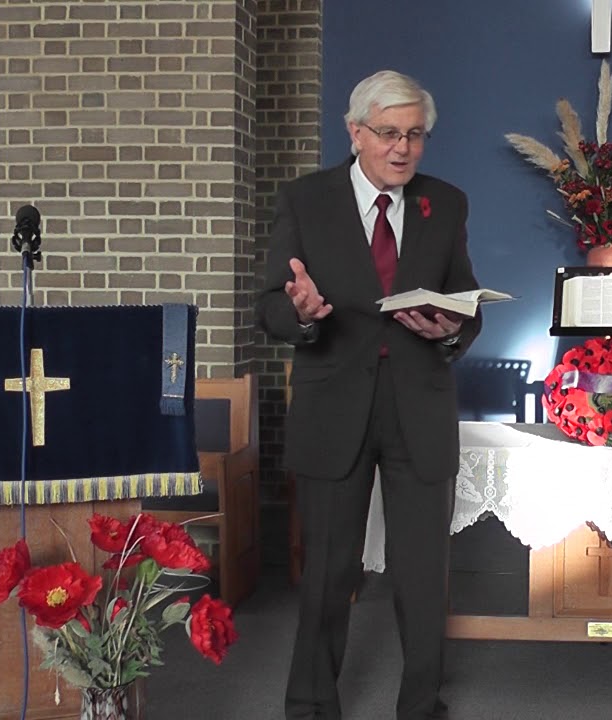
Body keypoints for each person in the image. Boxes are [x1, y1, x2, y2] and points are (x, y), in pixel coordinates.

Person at [256, 69, 480, 720]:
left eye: (415, 135)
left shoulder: (448, 204)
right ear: (355, 133)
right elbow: (269, 306)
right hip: (334, 405)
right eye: (388, 134)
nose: (403, 148)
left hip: (420, 406)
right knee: (328, 575)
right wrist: (300, 312)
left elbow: (466, 298)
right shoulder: (305, 200)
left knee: (421, 578)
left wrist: (451, 328)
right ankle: (310, 705)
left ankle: (421, 705)